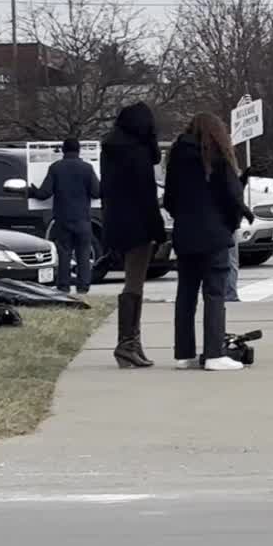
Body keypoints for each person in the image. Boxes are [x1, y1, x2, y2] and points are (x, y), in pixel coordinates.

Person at [163, 113, 252, 371]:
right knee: (214, 294)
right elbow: (231, 197)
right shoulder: (218, 158)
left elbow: (169, 199)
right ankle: (214, 353)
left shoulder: (177, 158)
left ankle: (184, 354)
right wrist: (232, 223)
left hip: (185, 234)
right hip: (214, 234)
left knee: (186, 294)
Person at [101, 102, 166, 369]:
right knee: (134, 282)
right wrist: (157, 228)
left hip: (117, 221)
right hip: (139, 224)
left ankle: (130, 342)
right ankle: (128, 343)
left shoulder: (111, 149)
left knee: (132, 281)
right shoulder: (137, 152)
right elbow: (146, 195)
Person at [34, 137, 100, 296]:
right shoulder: (87, 168)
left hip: (62, 219)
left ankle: (63, 287)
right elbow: (96, 193)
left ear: (63, 150)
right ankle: (83, 287)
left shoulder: (55, 168)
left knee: (64, 252)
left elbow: (44, 193)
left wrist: (31, 191)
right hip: (83, 219)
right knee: (83, 254)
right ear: (79, 150)